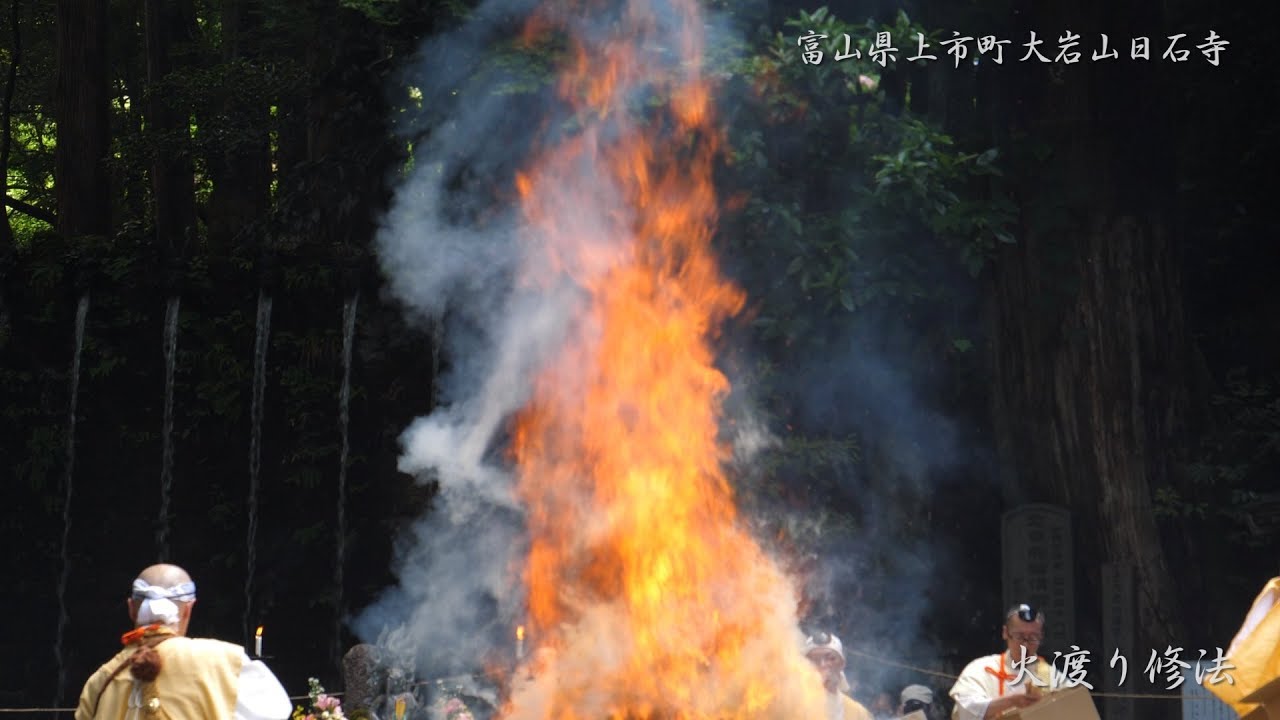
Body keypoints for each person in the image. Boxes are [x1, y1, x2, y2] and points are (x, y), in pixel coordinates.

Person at [75, 563, 293, 720]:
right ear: (189, 608)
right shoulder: (224, 663)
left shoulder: (99, 682)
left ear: (131, 609)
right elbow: (276, 711)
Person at [948, 604, 1062, 720]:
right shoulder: (981, 669)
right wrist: (1011, 701)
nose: (1025, 644)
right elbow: (965, 711)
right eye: (1019, 636)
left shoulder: (1052, 676)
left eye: (1033, 637)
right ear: (1005, 632)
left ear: (1041, 637)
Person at [804, 632, 873, 720]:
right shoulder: (792, 703)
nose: (823, 665)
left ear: (842, 664)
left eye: (831, 658)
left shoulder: (858, 713)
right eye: (815, 660)